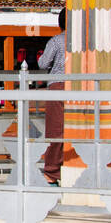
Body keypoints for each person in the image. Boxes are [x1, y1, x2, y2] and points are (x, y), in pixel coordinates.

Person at [37, 11, 67, 186]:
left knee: (56, 128)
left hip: (58, 86)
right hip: (80, 88)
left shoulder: (56, 41)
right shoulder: (82, 42)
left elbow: (43, 64)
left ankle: (52, 171)